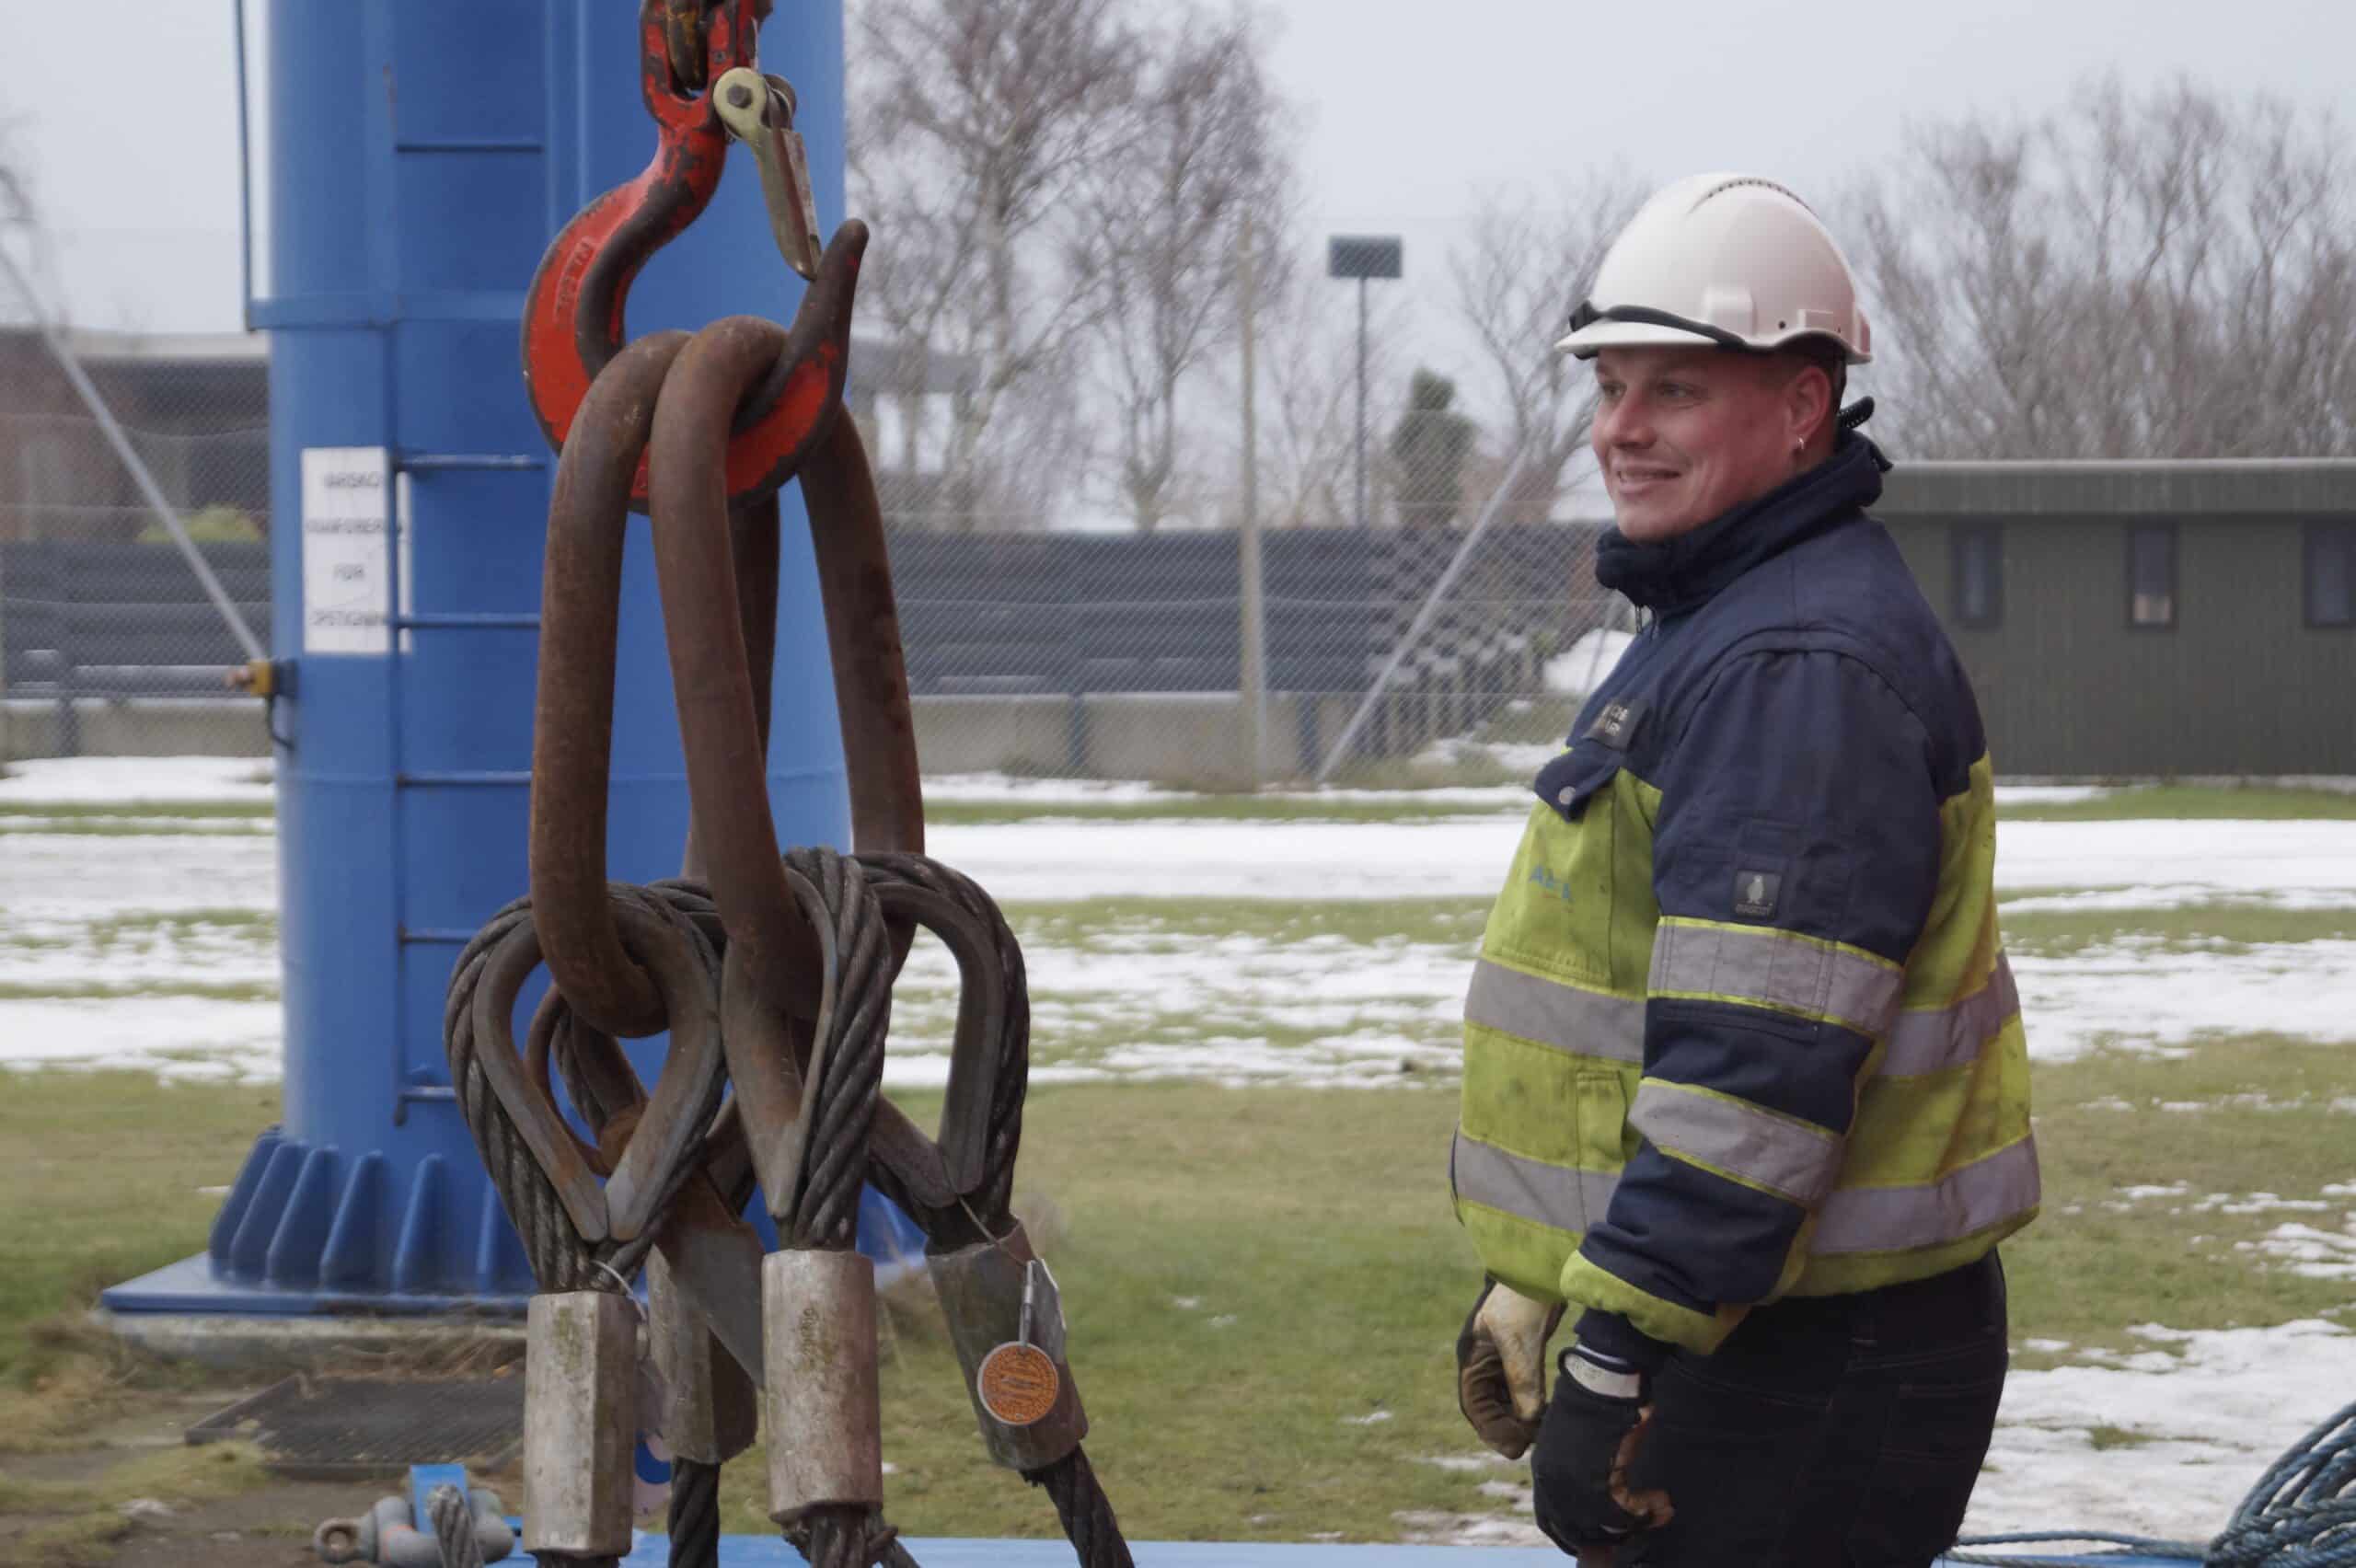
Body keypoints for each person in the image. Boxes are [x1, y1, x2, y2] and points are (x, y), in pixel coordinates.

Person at [1449, 172, 2037, 1566]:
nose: (1622, 432)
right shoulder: (1725, 617)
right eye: (1610, 389)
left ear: (1800, 410)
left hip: (1801, 1358)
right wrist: (1548, 1279)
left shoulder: (1797, 666)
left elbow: (1748, 1081)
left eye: (1677, 392)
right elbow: (1642, 1010)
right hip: (1748, 1326)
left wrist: (1621, 1348)